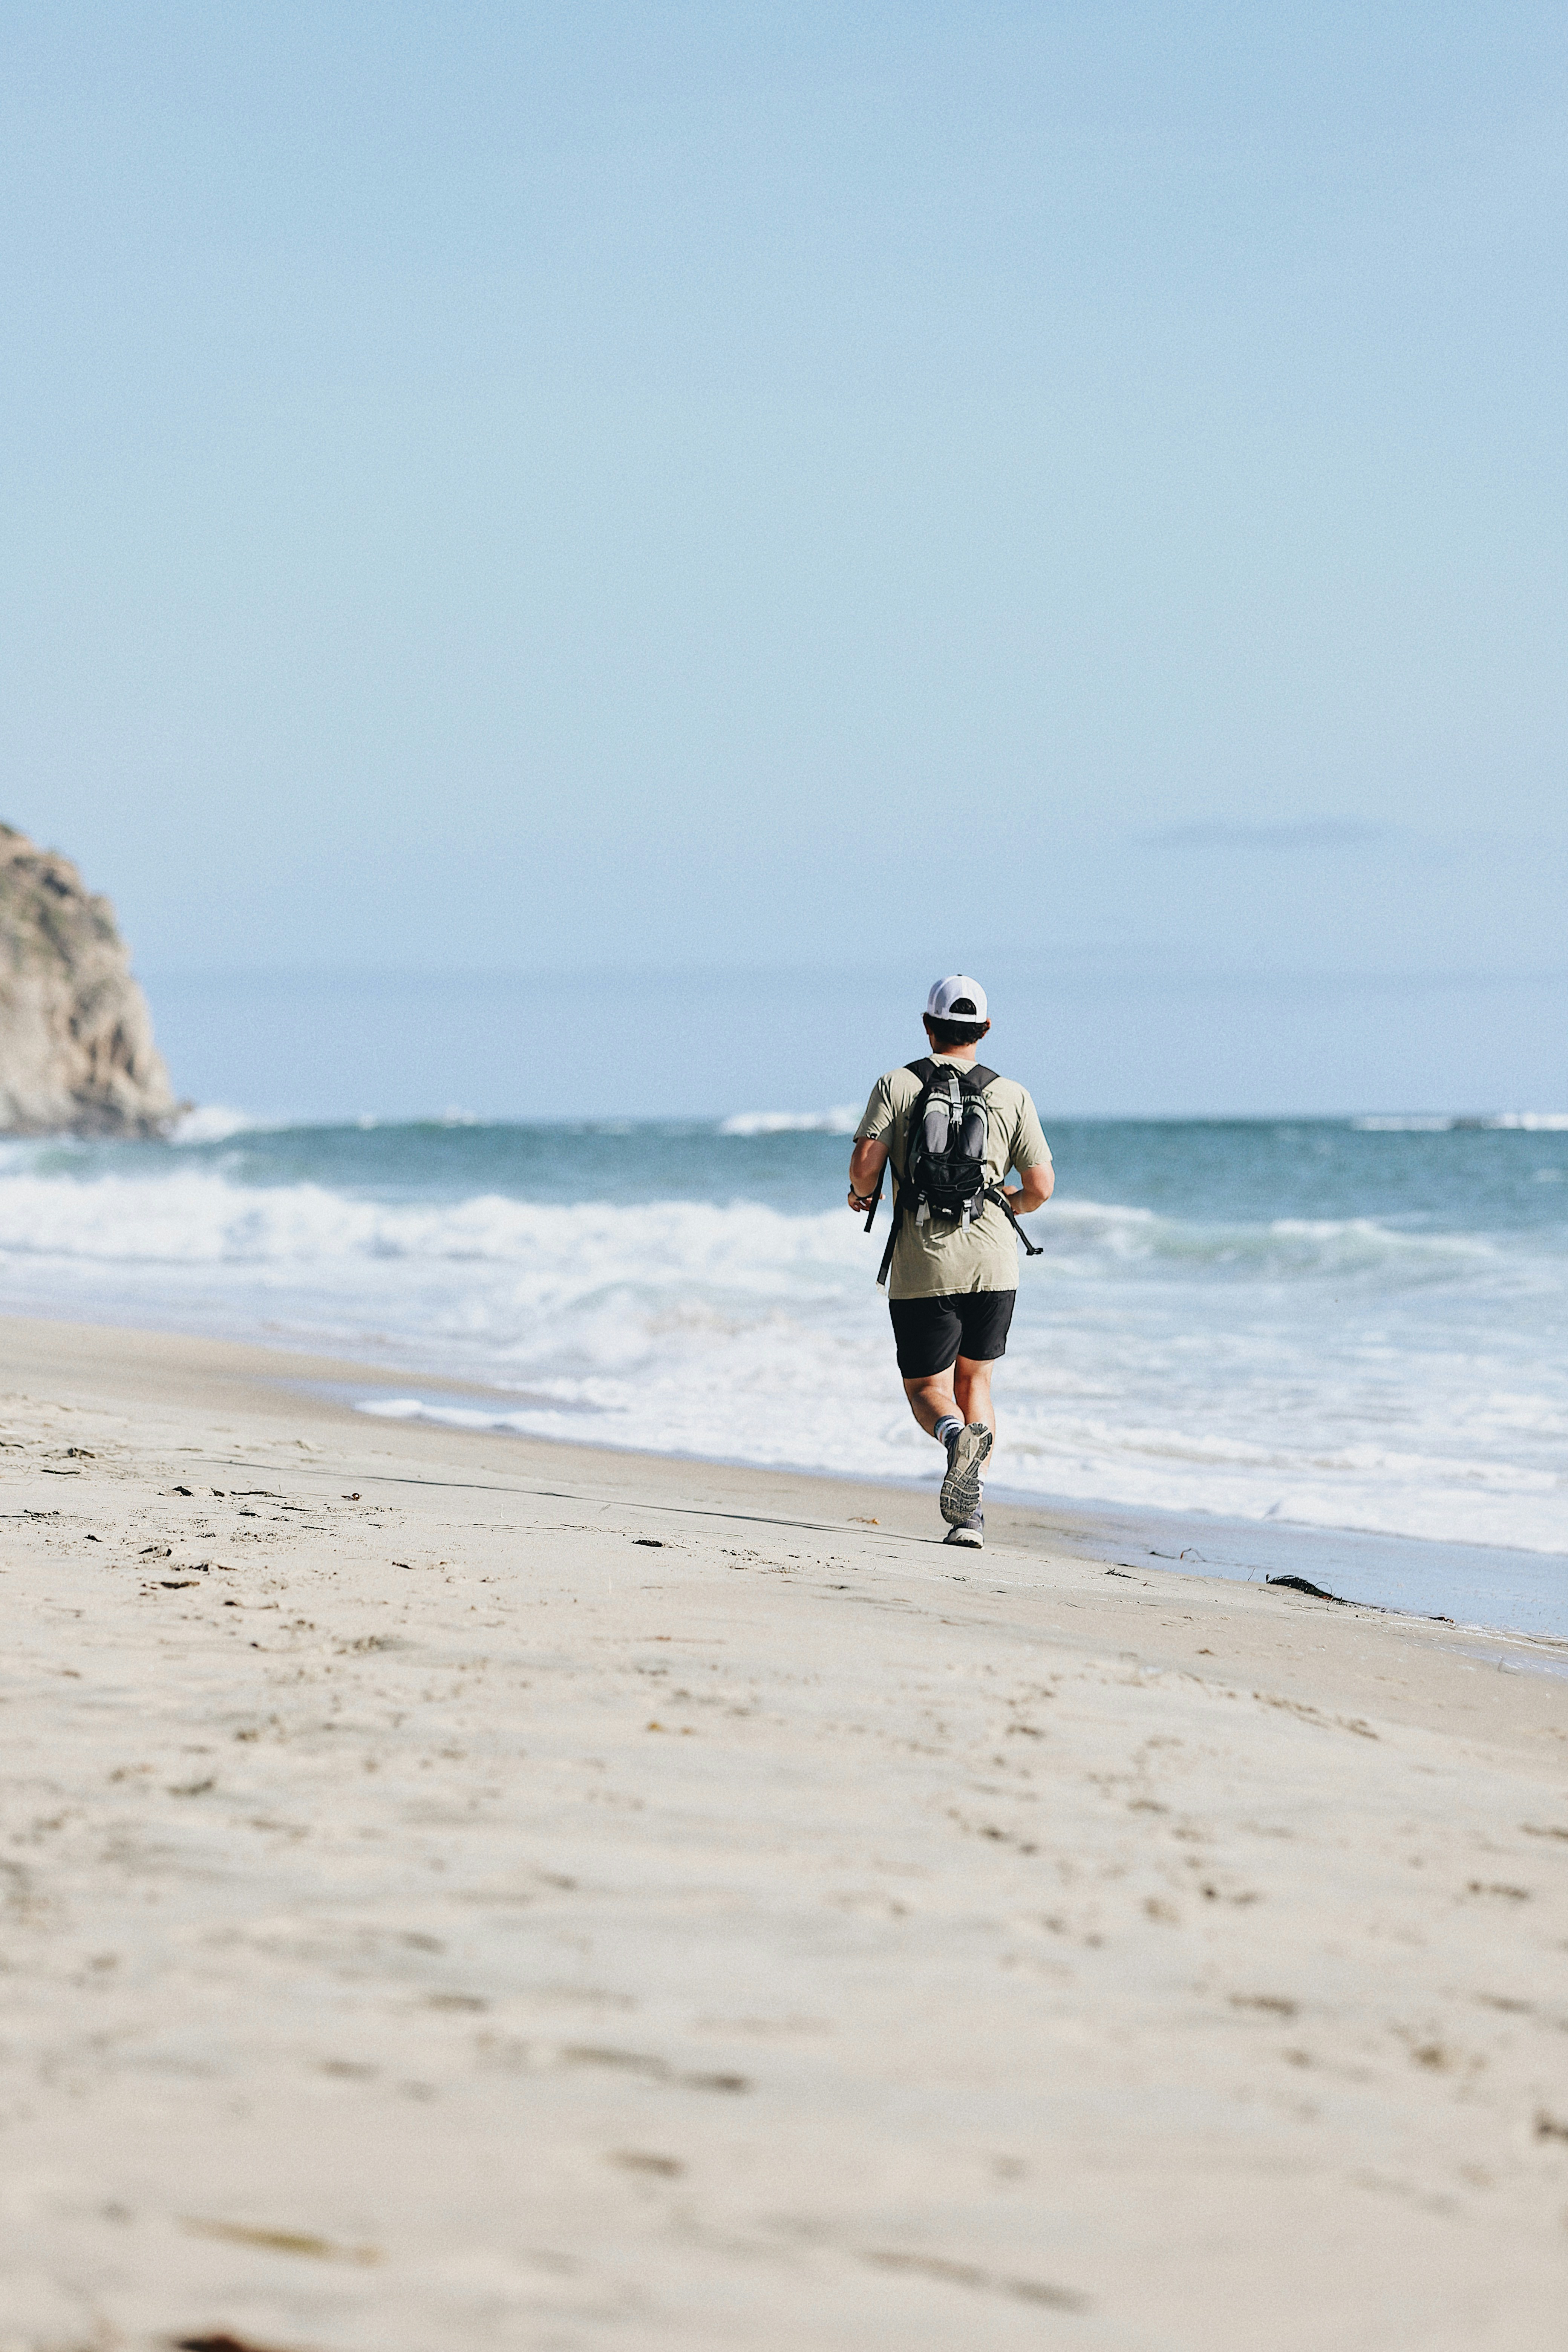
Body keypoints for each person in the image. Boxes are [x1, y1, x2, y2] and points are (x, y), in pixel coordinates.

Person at [847, 975, 1052, 1551]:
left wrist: (863, 1192)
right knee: (977, 1377)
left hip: (924, 1263)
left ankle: (954, 1434)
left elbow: (866, 1166)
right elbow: (1041, 1186)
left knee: (924, 1387)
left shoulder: (898, 1083)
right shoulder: (1012, 1094)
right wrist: (1004, 1203)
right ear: (985, 1029)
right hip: (993, 1262)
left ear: (927, 1025)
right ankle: (971, 1515)